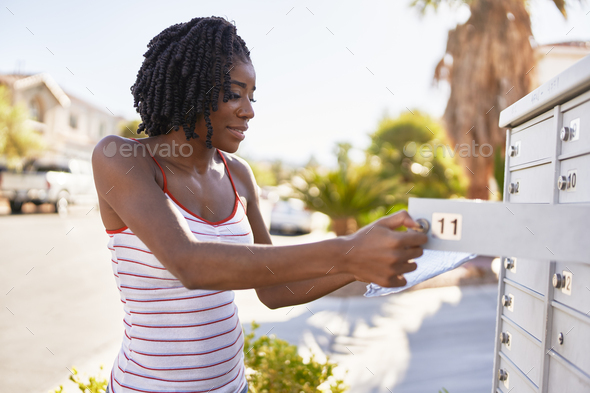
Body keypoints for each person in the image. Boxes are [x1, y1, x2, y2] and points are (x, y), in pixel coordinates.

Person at [92, 16, 427, 393]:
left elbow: (274, 290)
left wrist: (362, 264)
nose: (248, 110)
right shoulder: (121, 157)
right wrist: (348, 252)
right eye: (235, 94)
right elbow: (189, 263)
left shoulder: (239, 175)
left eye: (252, 96)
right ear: (192, 88)